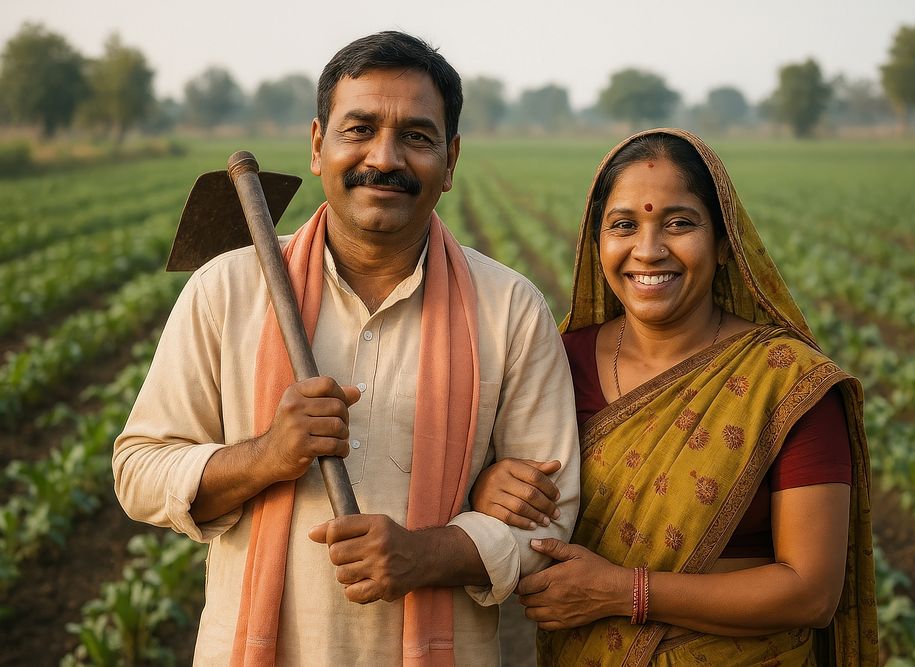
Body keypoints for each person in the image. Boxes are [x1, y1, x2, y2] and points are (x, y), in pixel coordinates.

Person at [112, 31, 580, 665]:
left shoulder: (511, 308)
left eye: (417, 136)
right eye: (358, 129)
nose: (384, 158)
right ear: (316, 145)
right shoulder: (228, 288)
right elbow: (139, 471)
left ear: (451, 161)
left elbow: (551, 521)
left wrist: (427, 554)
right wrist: (265, 456)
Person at [471, 128, 878, 665]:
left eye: (680, 223)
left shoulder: (785, 383)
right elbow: (478, 499)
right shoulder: (554, 360)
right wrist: (488, 487)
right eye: (623, 226)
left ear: (725, 243)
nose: (649, 249)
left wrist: (625, 591)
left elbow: (810, 591)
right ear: (597, 244)